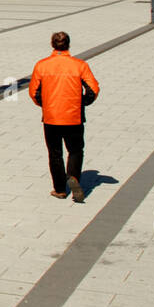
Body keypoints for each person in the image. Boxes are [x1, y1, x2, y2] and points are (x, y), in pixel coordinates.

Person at [28, 31, 100, 203]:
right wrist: (83, 102)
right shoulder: (79, 65)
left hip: (51, 116)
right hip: (73, 115)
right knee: (75, 150)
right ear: (68, 44)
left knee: (55, 153)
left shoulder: (42, 65)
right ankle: (73, 177)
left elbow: (33, 92)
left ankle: (60, 189)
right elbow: (93, 89)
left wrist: (44, 104)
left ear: (53, 45)